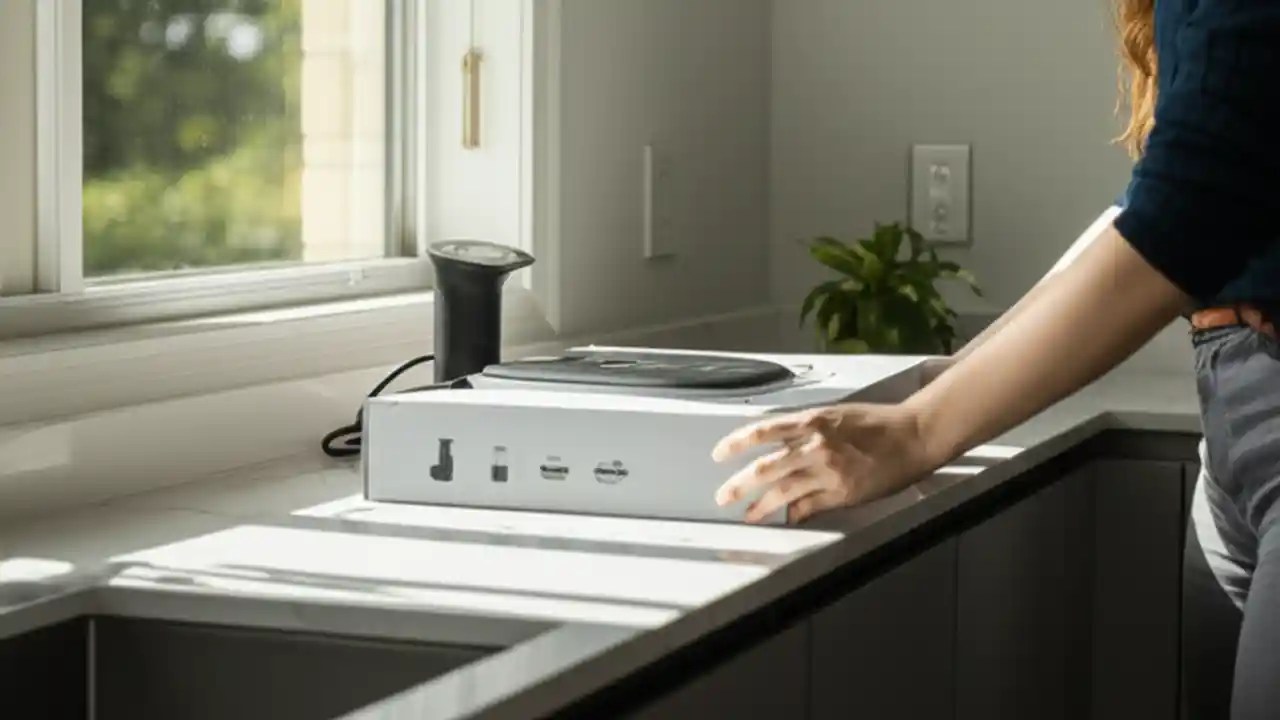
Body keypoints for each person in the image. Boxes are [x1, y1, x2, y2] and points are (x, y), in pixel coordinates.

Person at [711, 0, 1280, 717]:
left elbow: (1193, 206)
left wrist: (921, 428)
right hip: (1233, 434)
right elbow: (1155, 200)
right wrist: (950, 378)